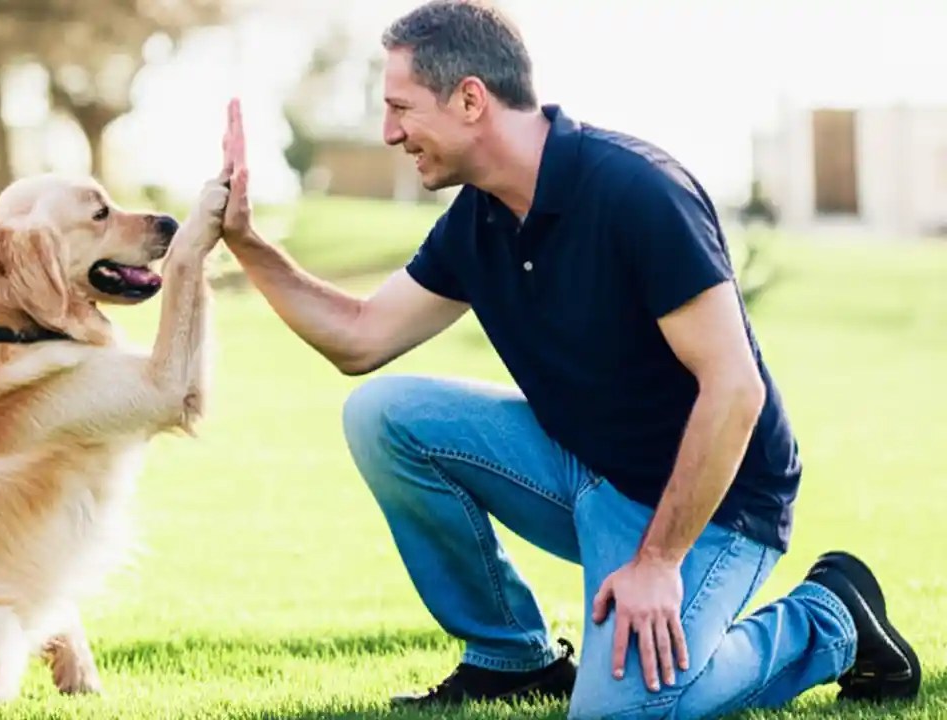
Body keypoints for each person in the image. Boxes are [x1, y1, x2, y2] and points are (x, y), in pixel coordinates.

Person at [214, 1, 921, 717]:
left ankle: (830, 618)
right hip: (584, 467)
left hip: (715, 503)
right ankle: (511, 659)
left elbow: (735, 389)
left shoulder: (637, 192)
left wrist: (657, 562)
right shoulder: (478, 219)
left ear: (470, 100)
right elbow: (360, 338)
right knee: (382, 415)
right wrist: (245, 241)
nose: (390, 132)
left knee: (623, 713)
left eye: (401, 108)